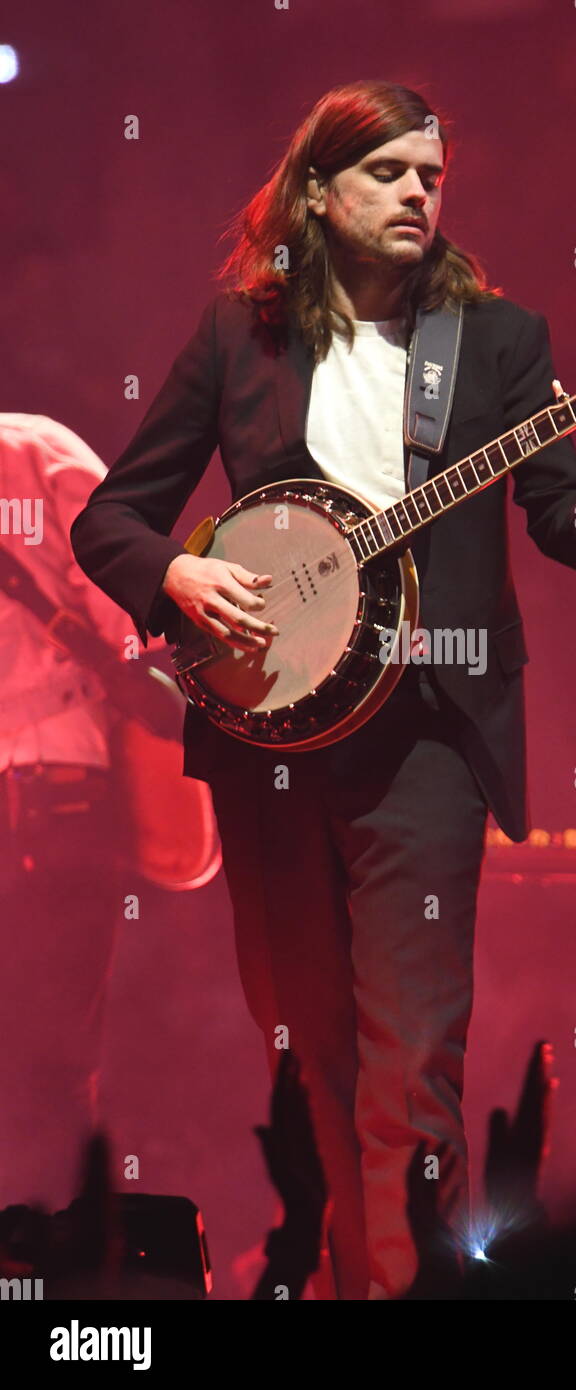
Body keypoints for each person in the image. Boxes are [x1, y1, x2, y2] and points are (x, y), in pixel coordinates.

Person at [70, 80, 576, 1300]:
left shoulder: (495, 341)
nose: (418, 194)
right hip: (263, 728)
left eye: (433, 175)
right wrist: (178, 572)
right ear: (317, 192)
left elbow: (573, 528)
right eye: (388, 173)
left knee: (411, 1056)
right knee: (312, 1059)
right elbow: (108, 518)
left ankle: (407, 1293)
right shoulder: (242, 333)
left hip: (427, 735)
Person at [0, 414, 155, 1213]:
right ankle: (58, 1270)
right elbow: (131, 628)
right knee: (53, 1068)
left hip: (38, 792)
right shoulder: (39, 451)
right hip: (59, 790)